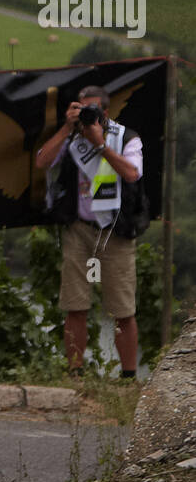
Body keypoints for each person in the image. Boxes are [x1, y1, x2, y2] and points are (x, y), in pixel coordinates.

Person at [34, 85, 144, 378]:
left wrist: (100, 145)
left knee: (123, 309)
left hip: (115, 232)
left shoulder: (126, 138)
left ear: (106, 113)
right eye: (82, 110)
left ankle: (129, 377)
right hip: (79, 230)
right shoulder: (72, 139)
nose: (88, 116)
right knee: (75, 304)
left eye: (93, 111)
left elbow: (132, 174)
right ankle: (75, 373)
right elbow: (41, 162)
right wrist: (66, 129)